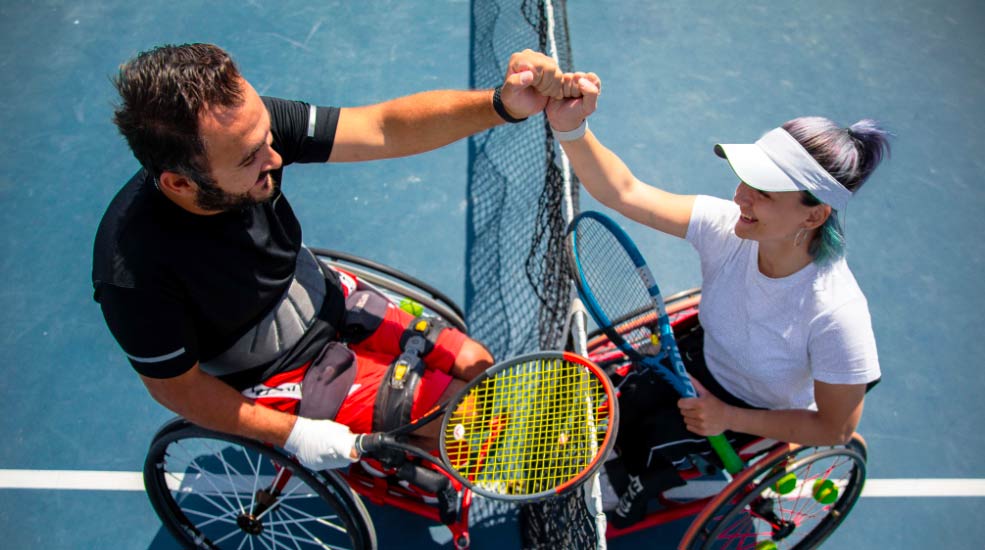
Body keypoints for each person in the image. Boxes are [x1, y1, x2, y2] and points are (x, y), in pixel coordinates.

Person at [92, 43, 573, 474]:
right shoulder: (132, 272)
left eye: (268, 138)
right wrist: (291, 435)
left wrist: (500, 105)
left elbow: (382, 128)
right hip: (275, 369)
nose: (276, 158)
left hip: (322, 294)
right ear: (180, 183)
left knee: (475, 360)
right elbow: (178, 389)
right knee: (459, 419)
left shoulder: (247, 132)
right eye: (250, 159)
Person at [546, 74, 888, 526]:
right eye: (744, 180)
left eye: (762, 193)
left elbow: (835, 429)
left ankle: (688, 480)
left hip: (754, 413)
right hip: (699, 359)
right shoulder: (727, 226)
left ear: (816, 213)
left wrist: (728, 417)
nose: (739, 197)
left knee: (639, 457)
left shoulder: (836, 315)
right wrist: (571, 128)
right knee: (610, 406)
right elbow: (623, 192)